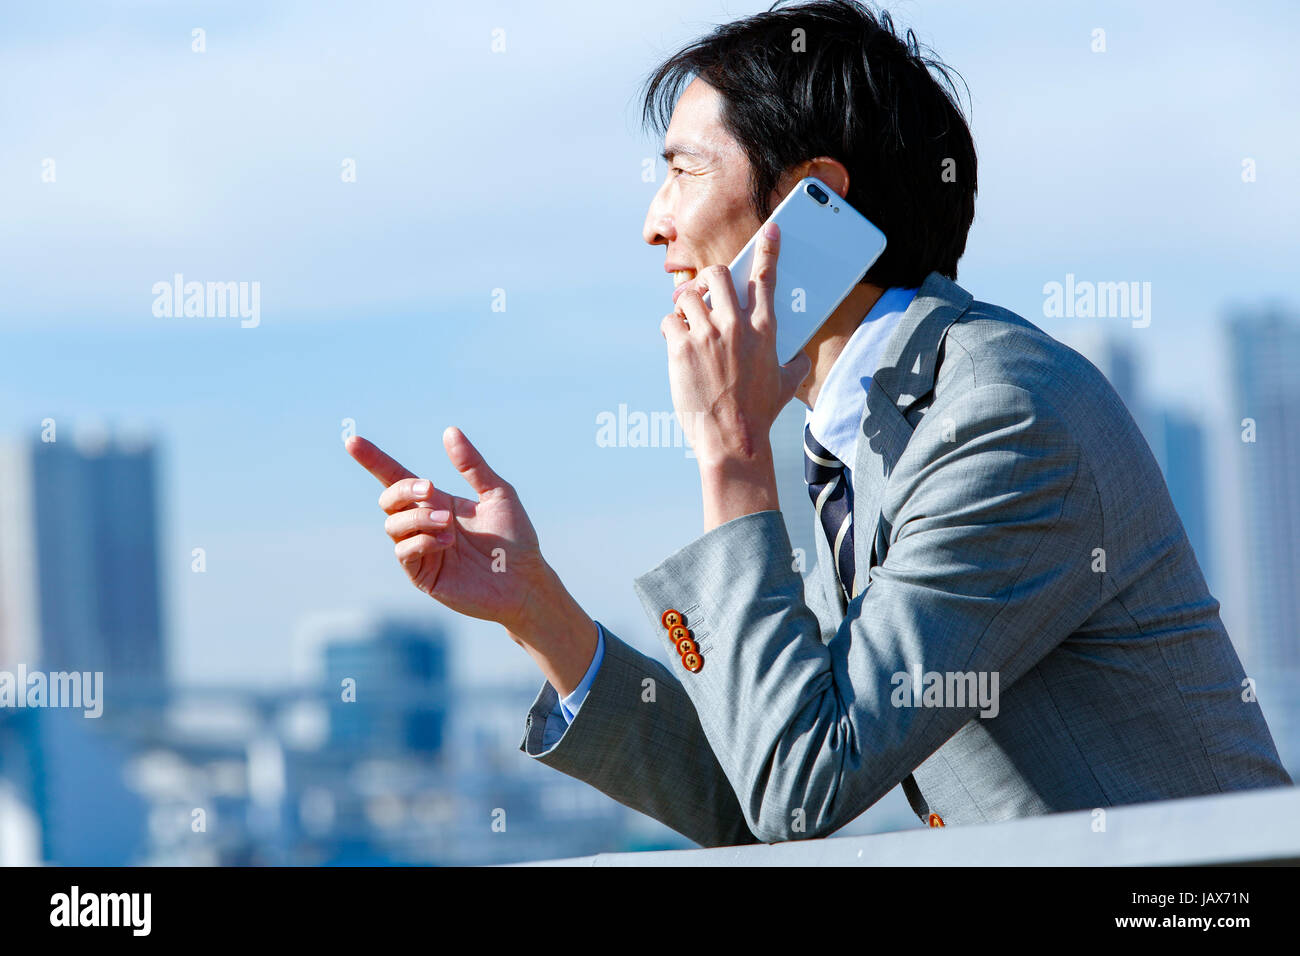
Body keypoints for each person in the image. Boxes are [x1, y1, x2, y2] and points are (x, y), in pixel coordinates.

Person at [346, 0, 1291, 847]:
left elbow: (801, 785)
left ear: (813, 203)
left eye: (682, 171)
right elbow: (754, 778)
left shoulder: (1002, 414)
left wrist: (730, 455)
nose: (653, 223)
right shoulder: (858, 432)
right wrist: (536, 611)